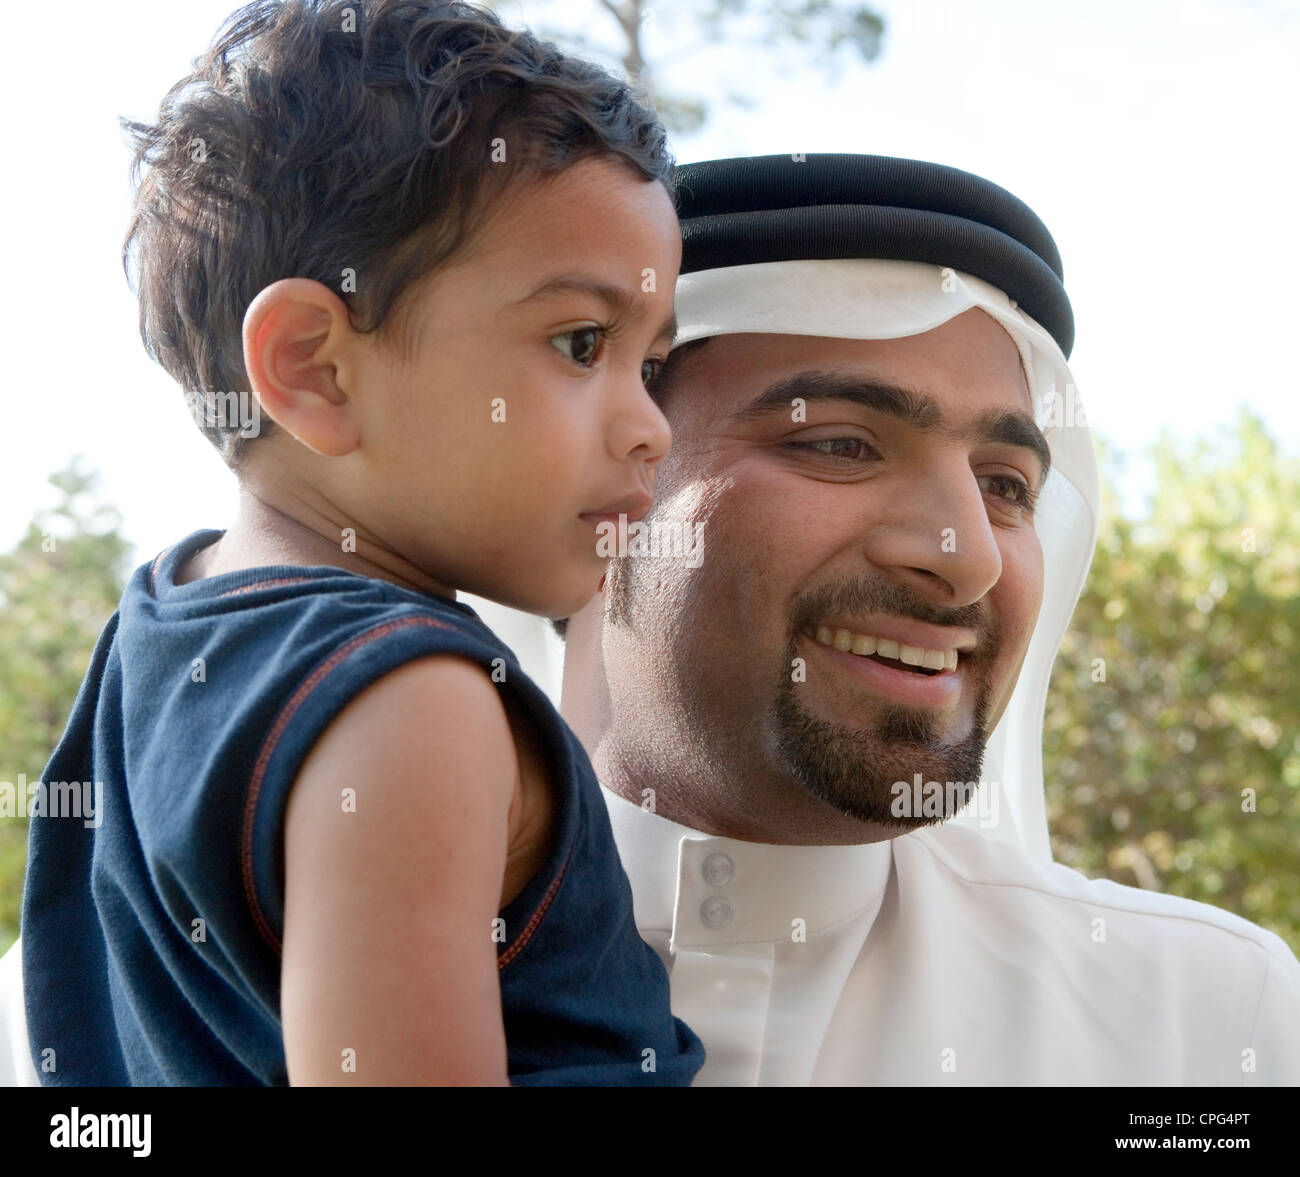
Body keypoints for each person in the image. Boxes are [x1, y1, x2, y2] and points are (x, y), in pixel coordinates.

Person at [12, 0, 704, 1086]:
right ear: (315, 369)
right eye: (582, 342)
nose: (651, 424)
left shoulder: (164, 627)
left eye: (650, 365)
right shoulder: (414, 701)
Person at [554, 152, 1300, 1085]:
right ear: (606, 498)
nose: (967, 554)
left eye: (1004, 486)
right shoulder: (354, 963)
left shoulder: (1207, 1022)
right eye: (839, 444)